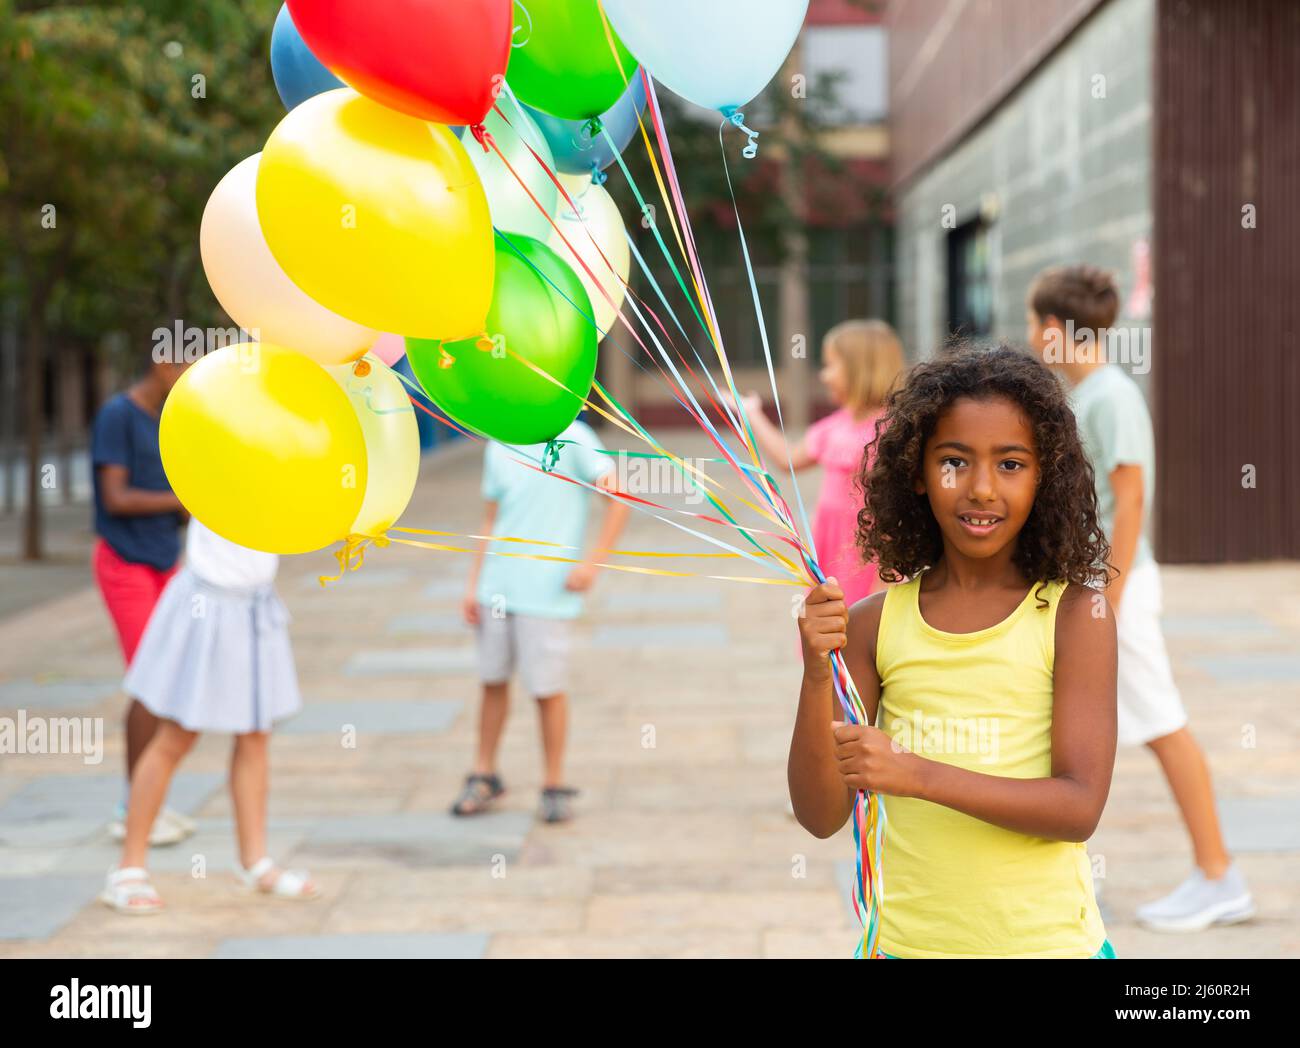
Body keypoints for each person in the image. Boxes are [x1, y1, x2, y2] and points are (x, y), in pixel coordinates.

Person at [790, 345, 1118, 958]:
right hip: (906, 947)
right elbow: (819, 813)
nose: (981, 488)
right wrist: (815, 674)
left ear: (1045, 474)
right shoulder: (872, 626)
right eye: (954, 462)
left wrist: (916, 775)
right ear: (917, 471)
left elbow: (1078, 806)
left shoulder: (1075, 614)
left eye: (1012, 463)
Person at [1027, 264, 1254, 932]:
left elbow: (1131, 501)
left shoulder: (1110, 396)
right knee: (1070, 729)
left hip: (1114, 588)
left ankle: (1219, 875)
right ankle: (1059, 881)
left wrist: (1109, 600)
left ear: (1049, 328)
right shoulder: (1090, 393)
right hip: (1097, 587)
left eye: (1032, 323)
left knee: (1160, 724)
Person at [100, 519, 313, 914]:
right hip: (208, 602)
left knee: (255, 735)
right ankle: (129, 867)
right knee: (177, 736)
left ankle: (254, 861)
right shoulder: (214, 460)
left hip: (256, 602)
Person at [452, 417, 629, 824]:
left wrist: (592, 564)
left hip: (547, 593)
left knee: (547, 689)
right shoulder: (500, 440)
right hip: (496, 587)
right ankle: (484, 773)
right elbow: (489, 520)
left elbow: (620, 497)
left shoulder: (574, 437)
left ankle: (553, 782)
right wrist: (473, 584)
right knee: (491, 682)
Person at [90, 354, 193, 846]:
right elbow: (116, 498)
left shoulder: (167, 419)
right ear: (161, 361)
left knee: (165, 678)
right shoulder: (118, 415)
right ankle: (131, 808)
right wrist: (183, 498)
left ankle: (149, 801)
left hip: (162, 560)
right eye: (185, 361)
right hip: (124, 562)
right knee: (150, 680)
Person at [736, 320, 903, 608]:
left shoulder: (892, 431)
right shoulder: (833, 427)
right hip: (829, 544)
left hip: (867, 554)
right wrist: (752, 414)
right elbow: (787, 459)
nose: (824, 376)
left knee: (862, 624)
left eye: (831, 366)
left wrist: (887, 576)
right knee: (826, 624)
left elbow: (898, 509)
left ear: (859, 370)